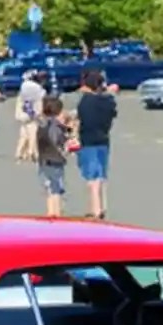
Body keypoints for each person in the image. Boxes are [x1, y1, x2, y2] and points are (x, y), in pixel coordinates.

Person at [75, 70, 117, 219]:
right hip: (103, 139)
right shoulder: (109, 101)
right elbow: (112, 113)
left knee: (92, 177)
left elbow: (80, 120)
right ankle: (102, 205)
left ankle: (96, 209)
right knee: (101, 174)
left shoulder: (85, 101)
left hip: (88, 140)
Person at [35, 96, 71, 217]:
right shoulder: (56, 127)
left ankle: (51, 211)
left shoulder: (42, 124)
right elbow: (58, 141)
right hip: (55, 159)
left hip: (44, 159)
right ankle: (56, 212)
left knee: (49, 187)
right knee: (56, 187)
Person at [14, 70, 45, 162]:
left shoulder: (24, 86)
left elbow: (21, 99)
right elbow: (39, 100)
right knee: (32, 133)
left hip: (22, 112)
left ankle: (19, 152)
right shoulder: (38, 88)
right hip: (32, 113)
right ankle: (32, 152)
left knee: (23, 134)